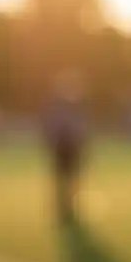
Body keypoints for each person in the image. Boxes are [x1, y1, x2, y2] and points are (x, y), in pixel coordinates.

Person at [42, 72, 89, 222]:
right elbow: (51, 130)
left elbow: (81, 131)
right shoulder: (57, 108)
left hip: (73, 149)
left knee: (73, 180)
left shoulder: (78, 108)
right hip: (62, 149)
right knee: (62, 180)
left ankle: (71, 206)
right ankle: (63, 208)